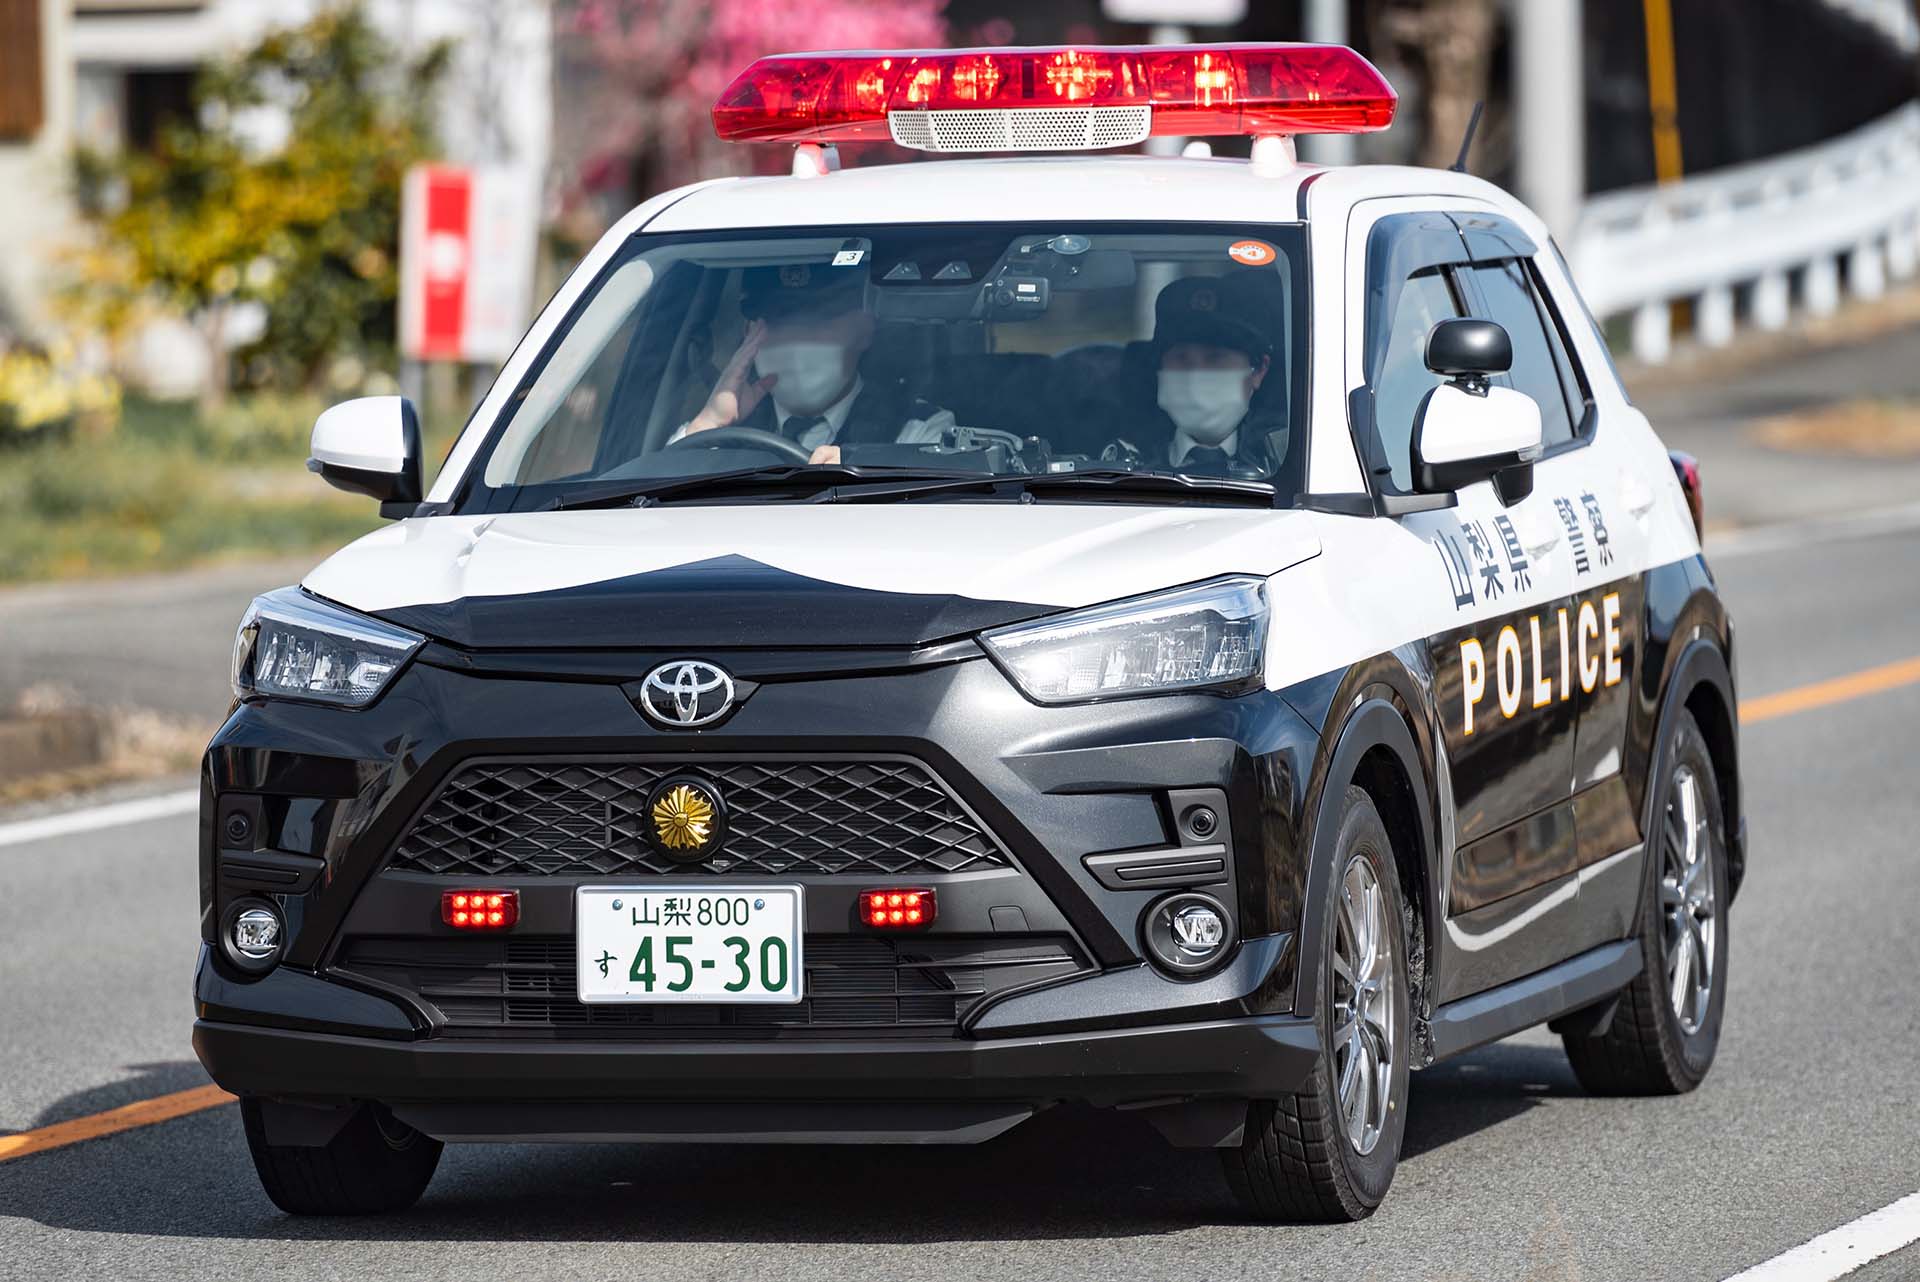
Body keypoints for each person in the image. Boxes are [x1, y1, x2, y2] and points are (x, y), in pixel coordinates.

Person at [674, 263, 950, 462]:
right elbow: (660, 504)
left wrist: (868, 470)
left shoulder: (914, 428)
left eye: (818, 321)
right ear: (749, 333)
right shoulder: (723, 434)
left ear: (864, 329)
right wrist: (708, 424)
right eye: (780, 322)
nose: (797, 341)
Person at [1112, 273, 1288, 478]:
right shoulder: (1122, 464)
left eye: (1216, 359)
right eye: (1181, 359)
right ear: (1159, 368)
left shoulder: (1288, 462)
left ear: (1259, 371)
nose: (1195, 375)